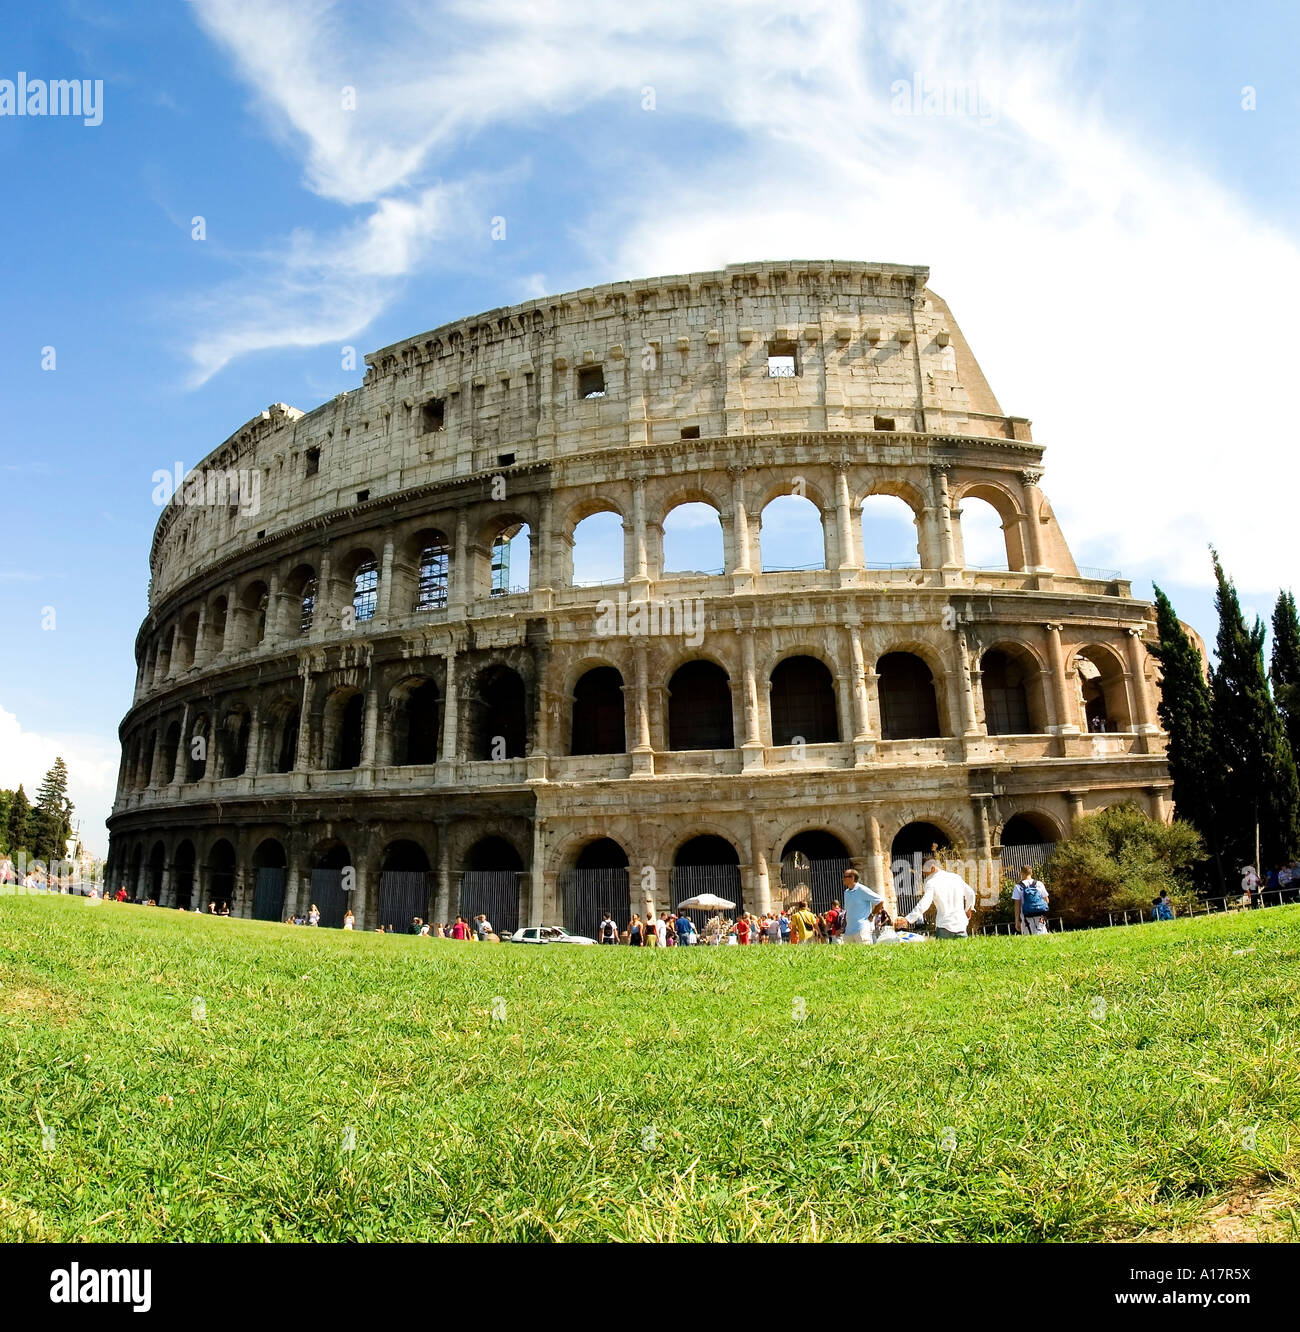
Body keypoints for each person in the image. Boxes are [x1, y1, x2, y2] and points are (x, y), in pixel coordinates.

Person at [895, 859, 975, 938]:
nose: (924, 874)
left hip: (944, 926)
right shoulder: (956, 878)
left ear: (932, 868)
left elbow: (924, 903)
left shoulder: (931, 883)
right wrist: (968, 909)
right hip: (961, 925)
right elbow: (971, 893)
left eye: (925, 871)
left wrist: (909, 919)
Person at [840, 868, 883, 944]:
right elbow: (847, 911)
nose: (842, 878)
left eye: (844, 876)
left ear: (852, 877)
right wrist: (843, 927)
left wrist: (872, 915)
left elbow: (880, 901)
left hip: (862, 929)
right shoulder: (846, 892)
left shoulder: (862, 889)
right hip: (849, 930)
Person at [1012, 868, 1050, 936]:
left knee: (1029, 936)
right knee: (1042, 934)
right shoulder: (1039, 884)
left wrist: (1017, 920)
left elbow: (1017, 905)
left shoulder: (1018, 887)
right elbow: (1046, 900)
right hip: (1040, 914)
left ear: (1021, 873)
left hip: (1026, 916)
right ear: (1031, 873)